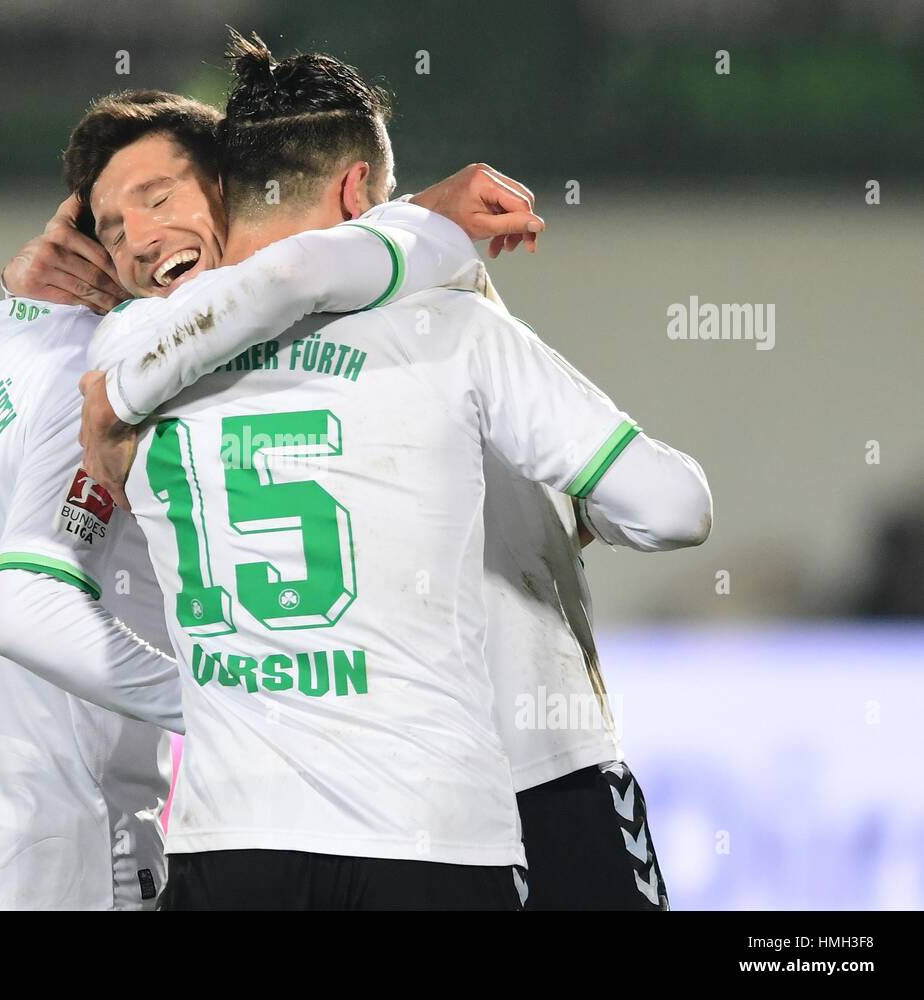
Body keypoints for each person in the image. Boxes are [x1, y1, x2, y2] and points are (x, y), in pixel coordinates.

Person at [75, 33, 711, 909]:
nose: (144, 238)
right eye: (115, 227)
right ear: (355, 188)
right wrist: (422, 220)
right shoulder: (446, 311)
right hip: (500, 782)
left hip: (248, 829)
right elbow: (672, 507)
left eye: (159, 201)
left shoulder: (140, 361)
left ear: (227, 192)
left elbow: (286, 276)